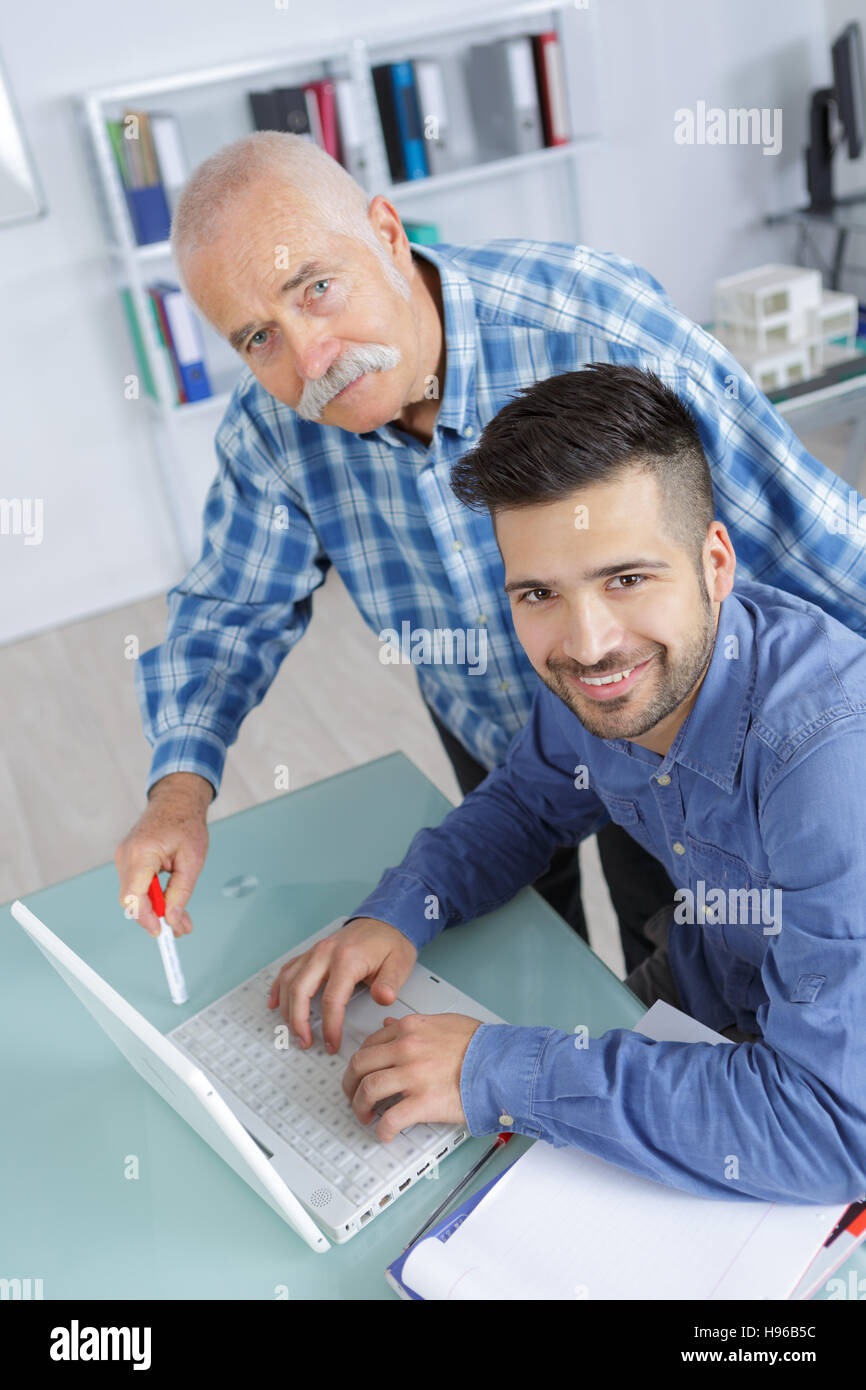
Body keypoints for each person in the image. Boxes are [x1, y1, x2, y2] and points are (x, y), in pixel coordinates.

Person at [117, 131, 866, 980]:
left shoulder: (598, 322)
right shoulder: (271, 426)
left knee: (672, 952)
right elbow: (229, 608)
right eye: (259, 338)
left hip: (668, 729)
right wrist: (179, 792)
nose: (308, 359)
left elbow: (818, 537)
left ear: (389, 235)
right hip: (492, 725)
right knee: (518, 955)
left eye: (318, 289)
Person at [269, 364, 866, 1205]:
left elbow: (830, 1128)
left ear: (716, 562)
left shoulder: (831, 759)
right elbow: (522, 804)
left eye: (627, 579)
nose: (587, 645)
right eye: (540, 593)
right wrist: (401, 908)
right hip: (713, 985)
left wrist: (496, 1067)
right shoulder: (605, 686)